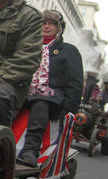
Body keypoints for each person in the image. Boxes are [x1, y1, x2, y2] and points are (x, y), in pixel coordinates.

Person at [18, 10, 84, 167]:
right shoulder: (26, 45)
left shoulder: (69, 50)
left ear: (59, 27)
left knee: (41, 102)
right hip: (23, 90)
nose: (47, 26)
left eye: (52, 23)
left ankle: (30, 150)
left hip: (49, 96)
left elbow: (75, 82)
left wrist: (68, 109)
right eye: (43, 22)